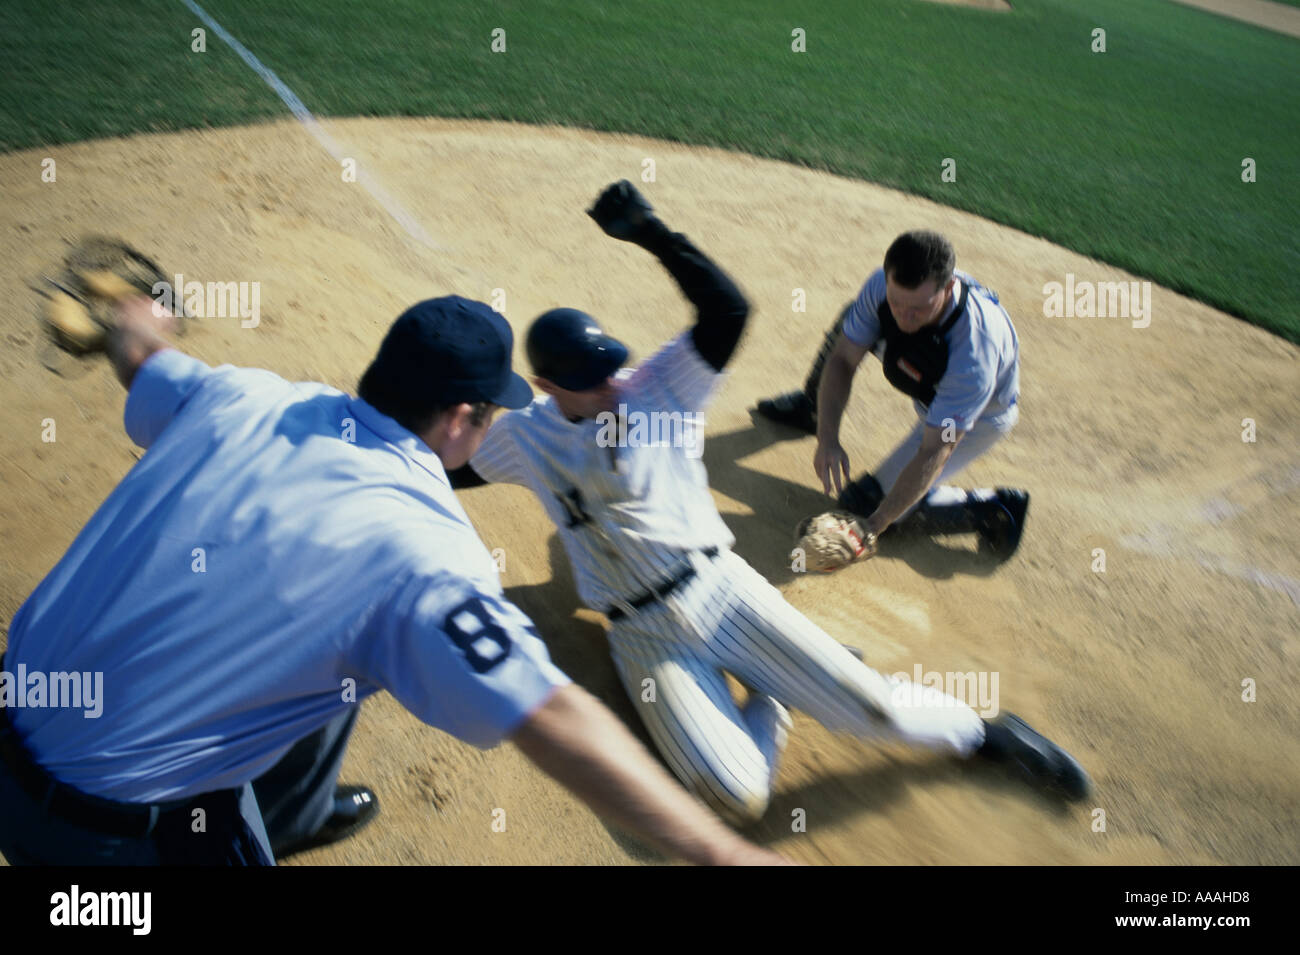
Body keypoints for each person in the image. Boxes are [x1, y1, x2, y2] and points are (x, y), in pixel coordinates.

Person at [0, 291, 785, 866]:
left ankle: (293, 810)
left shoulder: (244, 394)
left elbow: (140, 351)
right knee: (360, 637)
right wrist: (720, 853)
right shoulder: (425, 556)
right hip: (110, 846)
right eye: (487, 413)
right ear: (457, 419)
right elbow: (551, 716)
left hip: (13, 721)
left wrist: (128, 318)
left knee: (348, 651)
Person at [449, 182, 1090, 826]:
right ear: (547, 387)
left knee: (874, 710)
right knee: (737, 797)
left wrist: (653, 234)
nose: (611, 383)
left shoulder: (658, 388)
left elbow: (726, 311)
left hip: (722, 590)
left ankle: (987, 735)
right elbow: (447, 465)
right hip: (644, 638)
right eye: (591, 380)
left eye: (612, 366)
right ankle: (777, 694)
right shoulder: (524, 435)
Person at [754, 231, 1030, 559]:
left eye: (919, 307)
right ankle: (811, 410)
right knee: (854, 320)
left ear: (949, 287)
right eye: (896, 301)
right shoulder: (884, 289)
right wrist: (827, 437)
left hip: (977, 417)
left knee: (866, 504)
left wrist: (873, 526)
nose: (904, 315)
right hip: (927, 371)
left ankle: (995, 509)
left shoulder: (974, 353)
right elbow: (843, 359)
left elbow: (934, 450)